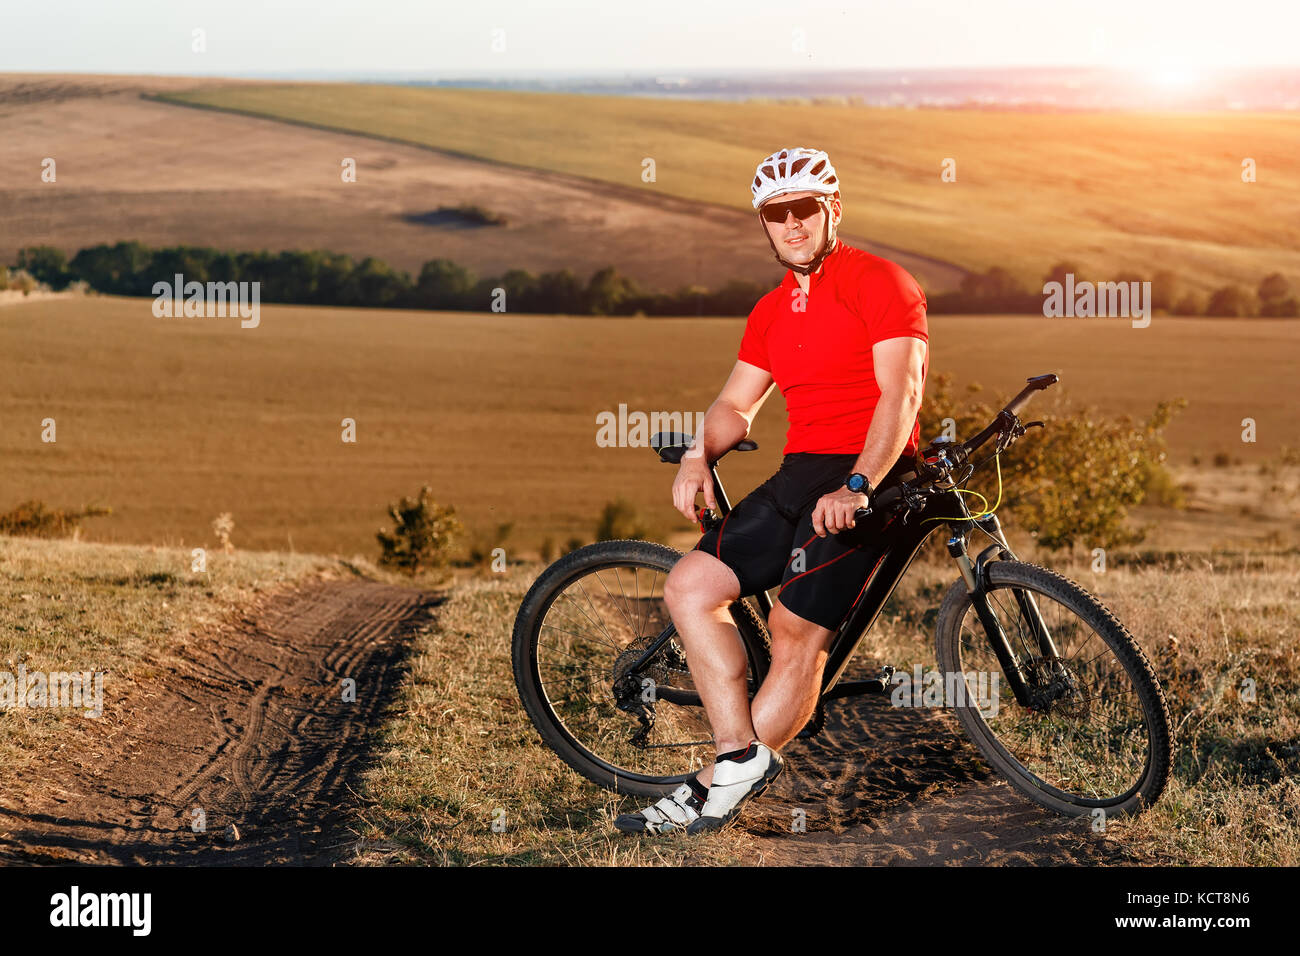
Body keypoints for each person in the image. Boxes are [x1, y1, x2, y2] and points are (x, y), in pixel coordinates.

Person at [615, 147, 929, 835]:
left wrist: (859, 483)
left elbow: (899, 395)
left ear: (832, 210)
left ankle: (713, 784)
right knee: (690, 586)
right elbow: (736, 404)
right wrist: (698, 455)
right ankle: (736, 758)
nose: (791, 224)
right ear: (764, 224)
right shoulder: (771, 311)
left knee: (793, 630)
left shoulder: (881, 282)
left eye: (804, 209)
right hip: (798, 475)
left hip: (869, 476)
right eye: (775, 214)